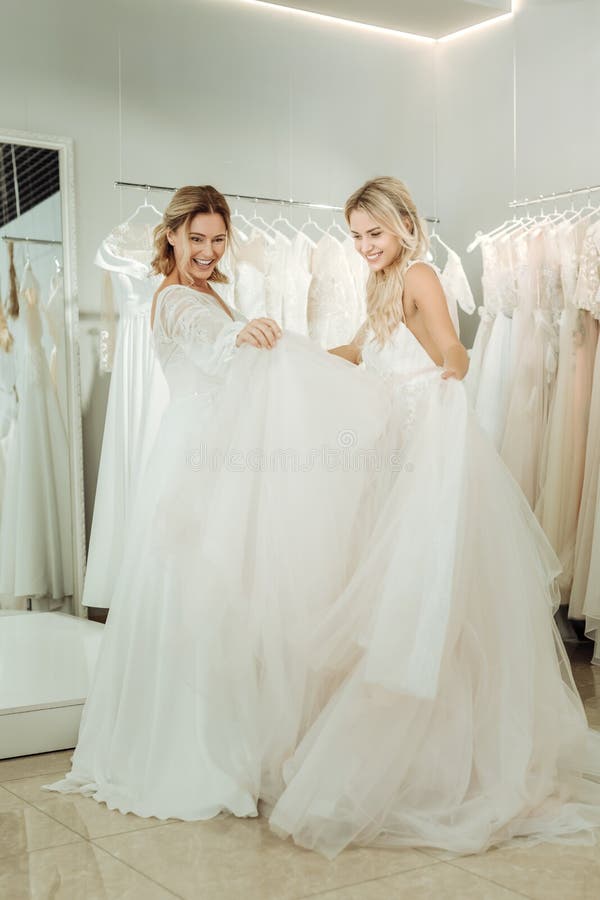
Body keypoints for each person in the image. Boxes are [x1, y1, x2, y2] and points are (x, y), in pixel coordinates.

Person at [269, 177, 600, 858]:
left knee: (429, 594)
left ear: (404, 226)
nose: (365, 247)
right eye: (357, 236)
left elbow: (454, 347)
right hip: (396, 444)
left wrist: (451, 375)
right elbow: (362, 352)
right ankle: (426, 749)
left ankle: (451, 756)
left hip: (428, 438)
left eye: (375, 234)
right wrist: (294, 358)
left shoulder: (418, 273)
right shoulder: (381, 283)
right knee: (401, 591)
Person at [44, 185, 386, 819]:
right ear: (171, 235)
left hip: (218, 447)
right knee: (198, 595)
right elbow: (207, 348)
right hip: (198, 455)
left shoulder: (209, 291)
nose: (206, 250)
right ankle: (190, 751)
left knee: (221, 598)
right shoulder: (174, 297)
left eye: (217, 239)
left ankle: (225, 740)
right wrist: (243, 336)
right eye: (195, 238)